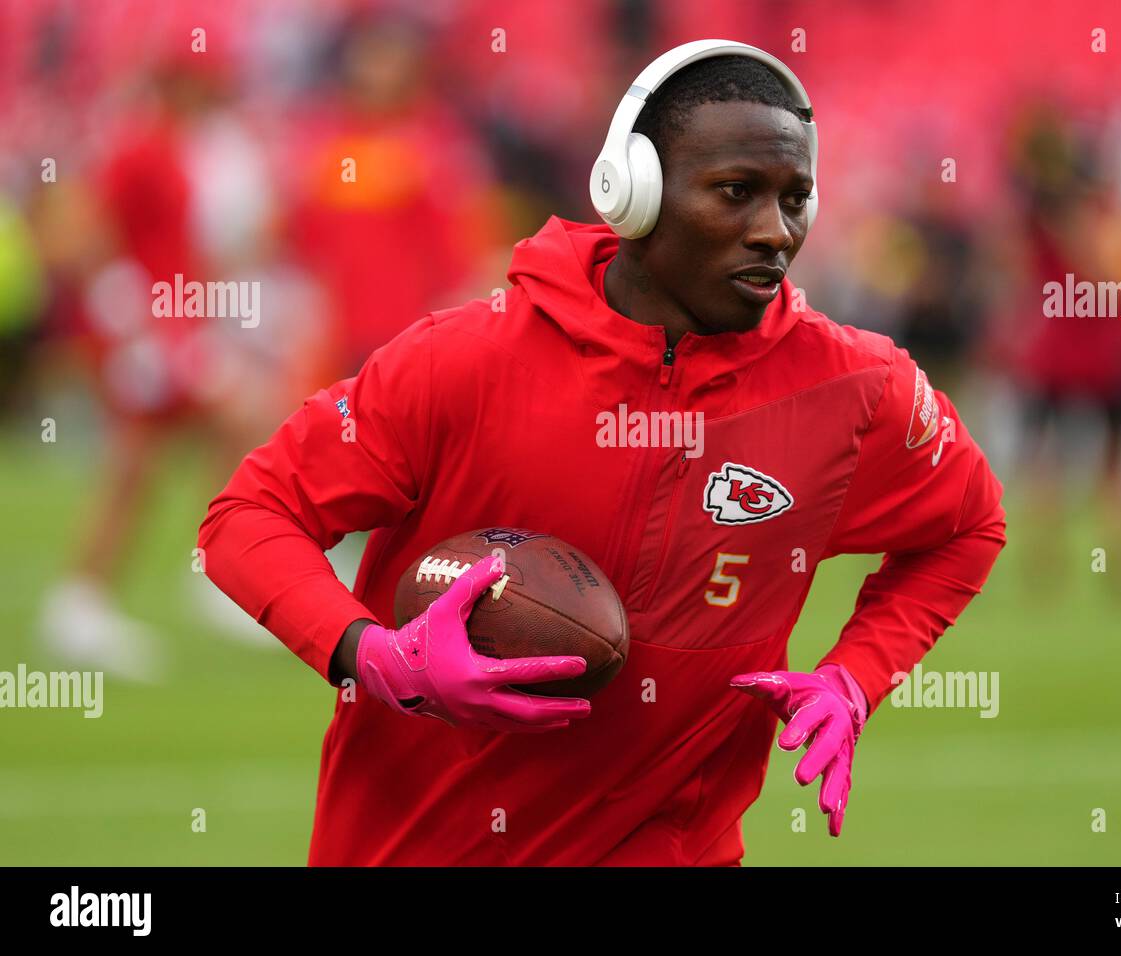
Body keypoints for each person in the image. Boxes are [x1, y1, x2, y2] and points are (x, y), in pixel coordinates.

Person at [198, 41, 1006, 866]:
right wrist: (375, 657)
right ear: (634, 191)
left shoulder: (857, 392)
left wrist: (853, 677)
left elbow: (968, 526)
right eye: (736, 192)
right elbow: (247, 517)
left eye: (795, 198)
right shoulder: (463, 360)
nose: (775, 231)